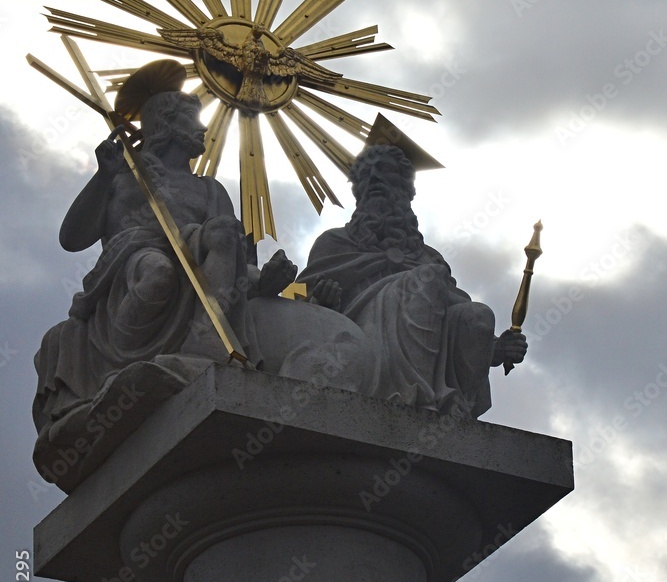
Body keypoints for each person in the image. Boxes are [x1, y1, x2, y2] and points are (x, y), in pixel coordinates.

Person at [33, 89, 296, 476]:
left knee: (224, 229)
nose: (204, 129)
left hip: (195, 266)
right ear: (168, 126)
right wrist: (103, 175)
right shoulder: (124, 176)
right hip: (130, 264)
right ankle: (124, 367)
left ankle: (206, 347)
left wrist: (263, 282)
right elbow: (71, 238)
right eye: (194, 120)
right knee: (158, 272)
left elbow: (235, 263)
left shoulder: (210, 190)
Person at [297, 144, 527, 417]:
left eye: (385, 172)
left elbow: (450, 313)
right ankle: (416, 402)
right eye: (366, 177)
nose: (375, 180)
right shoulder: (334, 243)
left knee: (478, 314)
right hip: (359, 339)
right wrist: (322, 300)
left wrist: (495, 348)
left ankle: (457, 414)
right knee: (427, 280)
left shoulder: (430, 258)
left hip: (431, 355)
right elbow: (303, 307)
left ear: (407, 190)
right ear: (358, 192)